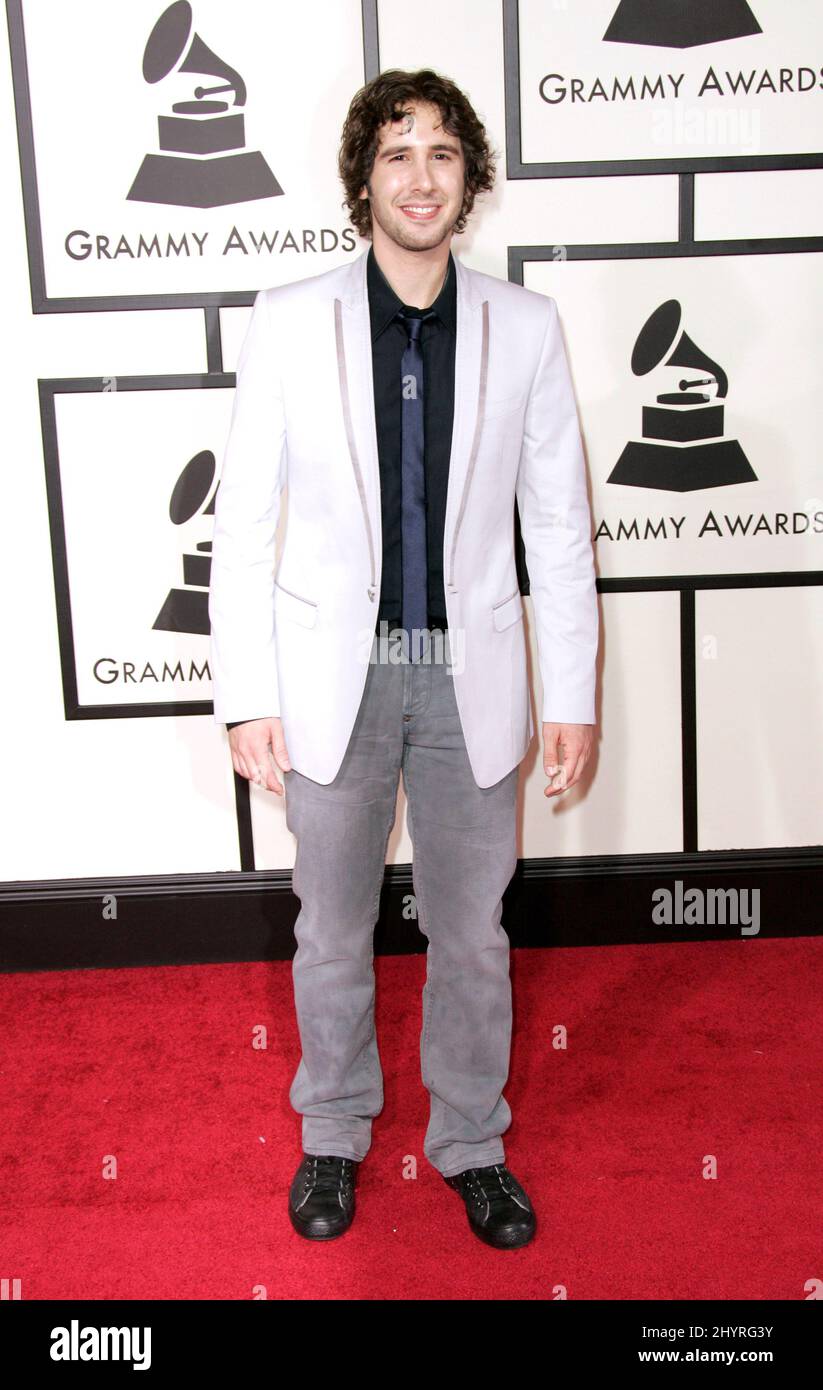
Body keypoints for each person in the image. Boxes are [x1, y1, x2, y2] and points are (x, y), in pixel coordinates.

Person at [208, 68, 598, 1250]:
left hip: (469, 674)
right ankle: (334, 1131)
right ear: (362, 182)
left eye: (440, 153)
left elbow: (557, 525)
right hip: (335, 675)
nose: (419, 175)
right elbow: (246, 527)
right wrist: (245, 696)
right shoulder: (288, 319)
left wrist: (571, 695)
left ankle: (471, 1141)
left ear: (467, 179)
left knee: (472, 932)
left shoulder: (523, 327)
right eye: (395, 153)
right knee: (328, 924)